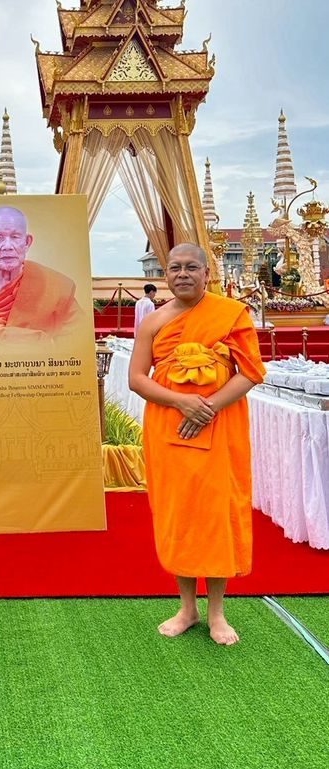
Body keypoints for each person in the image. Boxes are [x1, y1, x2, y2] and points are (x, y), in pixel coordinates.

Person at [128, 243, 265, 646]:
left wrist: (207, 407)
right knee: (180, 514)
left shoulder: (229, 314)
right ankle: (187, 607)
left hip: (219, 425)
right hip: (169, 427)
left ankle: (218, 612)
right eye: (175, 268)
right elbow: (138, 378)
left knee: (215, 514)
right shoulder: (153, 322)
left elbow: (252, 371)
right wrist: (181, 401)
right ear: (165, 275)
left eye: (191, 267)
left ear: (207, 273)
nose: (183, 274)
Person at [0, 206, 84, 341]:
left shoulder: (53, 285)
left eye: (15, 237)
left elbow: (78, 338)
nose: (8, 246)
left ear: (27, 242)